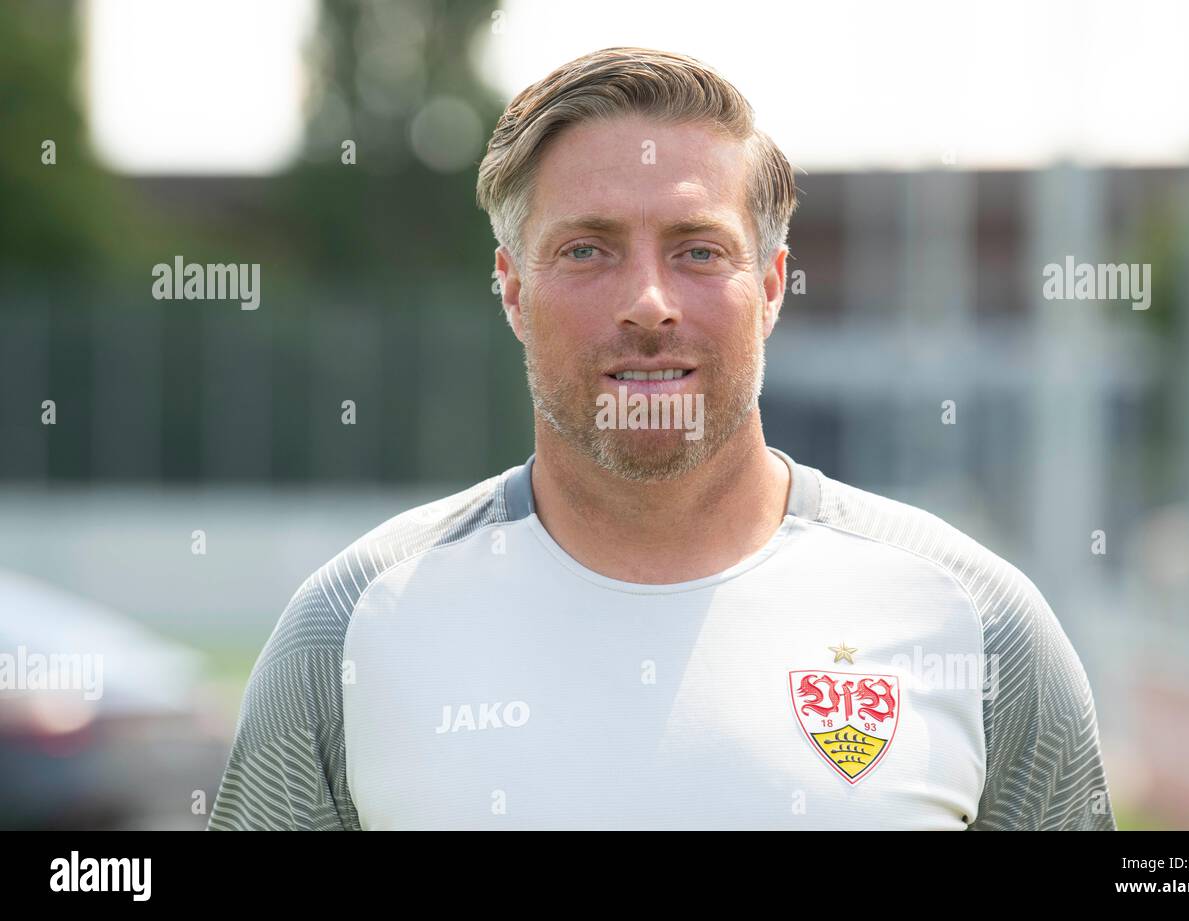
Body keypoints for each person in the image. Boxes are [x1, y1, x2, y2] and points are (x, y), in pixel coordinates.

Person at [208, 46, 1114, 830]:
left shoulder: (980, 625)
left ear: (770, 286)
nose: (648, 302)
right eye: (587, 249)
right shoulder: (352, 626)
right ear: (513, 289)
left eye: (697, 249)